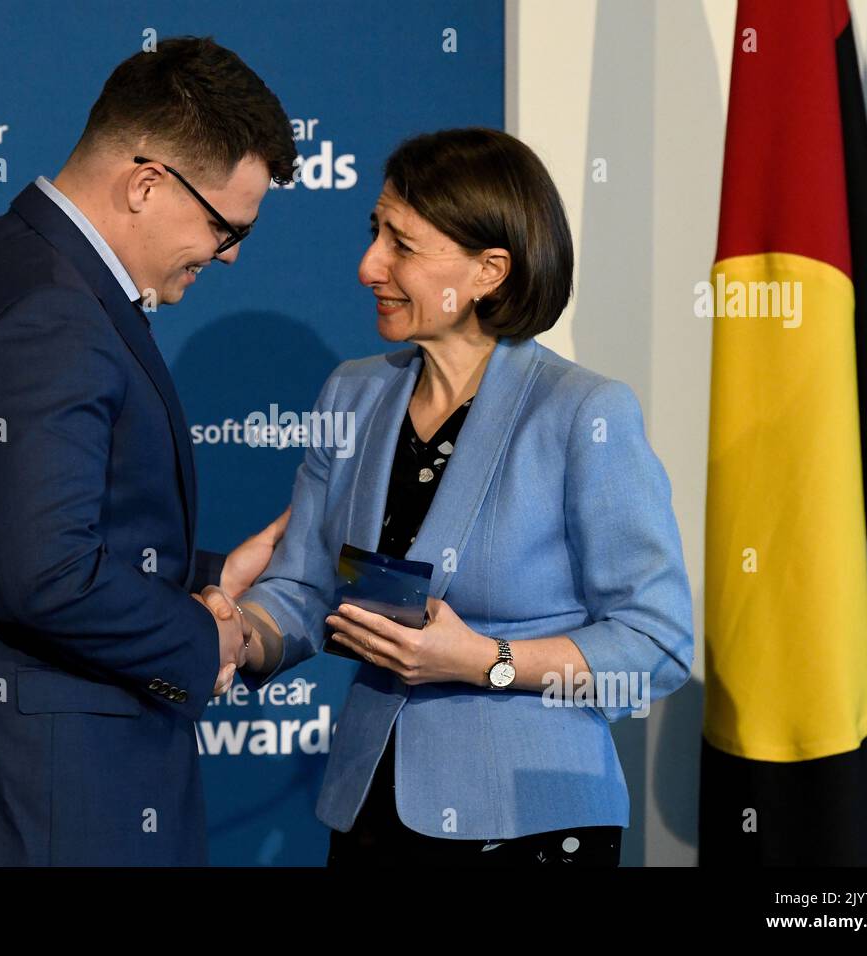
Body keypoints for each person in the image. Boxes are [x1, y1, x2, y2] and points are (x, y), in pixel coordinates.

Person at [0, 36, 295, 866]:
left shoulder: (4, 266)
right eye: (225, 226)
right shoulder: (55, 314)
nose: (231, 253)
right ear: (147, 184)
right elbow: (48, 576)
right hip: (38, 801)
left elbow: (21, 529)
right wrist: (201, 637)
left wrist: (211, 577)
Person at [204, 127, 694, 867]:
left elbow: (655, 647)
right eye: (375, 232)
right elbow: (304, 585)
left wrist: (486, 660)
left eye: (402, 243)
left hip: (531, 823)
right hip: (369, 813)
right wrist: (239, 632)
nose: (370, 265)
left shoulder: (583, 413)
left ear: (490, 270)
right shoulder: (354, 391)